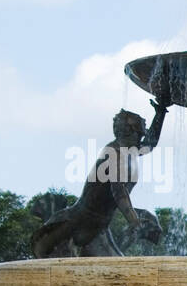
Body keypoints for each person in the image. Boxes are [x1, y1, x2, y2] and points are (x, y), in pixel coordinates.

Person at [33, 101, 168, 257]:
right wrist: (133, 220)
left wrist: (160, 112)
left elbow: (150, 145)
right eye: (140, 129)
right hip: (76, 224)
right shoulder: (114, 153)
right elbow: (119, 192)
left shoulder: (128, 150)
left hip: (98, 226)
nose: (143, 130)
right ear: (131, 130)